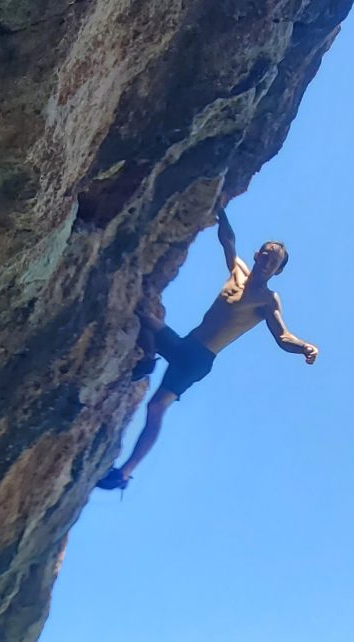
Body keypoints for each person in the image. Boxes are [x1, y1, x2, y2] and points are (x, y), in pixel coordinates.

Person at [96, 208, 318, 490]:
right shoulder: (237, 271)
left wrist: (305, 348)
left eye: (273, 261)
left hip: (198, 359)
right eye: (265, 254)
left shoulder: (266, 300)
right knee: (141, 317)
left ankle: (124, 474)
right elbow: (228, 241)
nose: (267, 261)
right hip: (186, 344)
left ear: (278, 270)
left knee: (155, 408)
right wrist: (220, 210)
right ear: (256, 255)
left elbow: (283, 336)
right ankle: (148, 360)